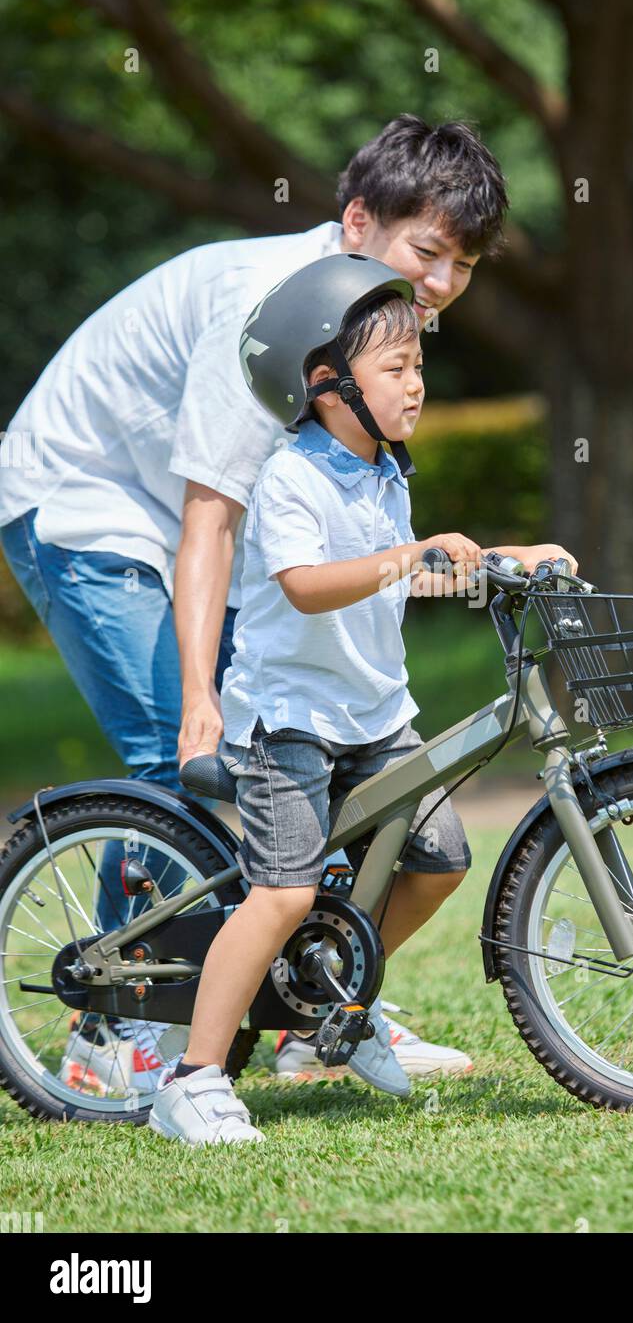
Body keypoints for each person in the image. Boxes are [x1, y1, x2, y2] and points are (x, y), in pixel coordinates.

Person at [0, 115, 509, 1091]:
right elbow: (209, 519)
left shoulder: (368, 327)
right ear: (357, 219)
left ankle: (316, 1010)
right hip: (87, 500)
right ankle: (118, 1035)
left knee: (322, 770)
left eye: (465, 264)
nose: (443, 285)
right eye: (427, 253)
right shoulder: (271, 313)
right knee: (175, 761)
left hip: (187, 521)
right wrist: (200, 699)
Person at [149, 255, 578, 1143]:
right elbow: (306, 584)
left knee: (439, 858)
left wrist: (501, 560)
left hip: (374, 714)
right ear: (328, 384)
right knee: (282, 895)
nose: (417, 385)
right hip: (290, 722)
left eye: (419, 366)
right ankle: (191, 1081)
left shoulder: (386, 471)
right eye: (397, 370)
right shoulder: (291, 476)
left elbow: (399, 580)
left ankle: (330, 1010)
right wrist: (406, 557)